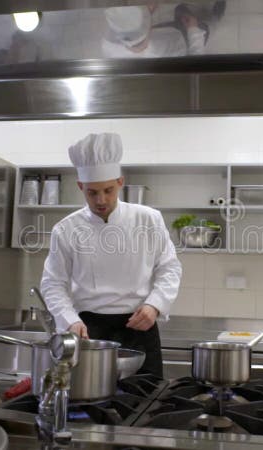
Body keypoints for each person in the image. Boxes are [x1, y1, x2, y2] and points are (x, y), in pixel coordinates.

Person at [40, 133, 182, 378]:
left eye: (108, 190)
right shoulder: (66, 229)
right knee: (91, 405)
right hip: (88, 330)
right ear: (80, 186)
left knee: (145, 402)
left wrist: (155, 305)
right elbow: (53, 284)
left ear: (120, 182)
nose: (101, 200)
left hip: (140, 325)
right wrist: (69, 320)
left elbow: (169, 268)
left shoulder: (148, 219)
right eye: (92, 192)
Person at [101, 5, 207, 58]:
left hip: (165, 33)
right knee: (204, 27)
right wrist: (193, 29)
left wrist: (146, 15)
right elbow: (197, 60)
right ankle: (214, 19)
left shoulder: (108, 46)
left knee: (180, 13)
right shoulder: (166, 58)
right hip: (183, 42)